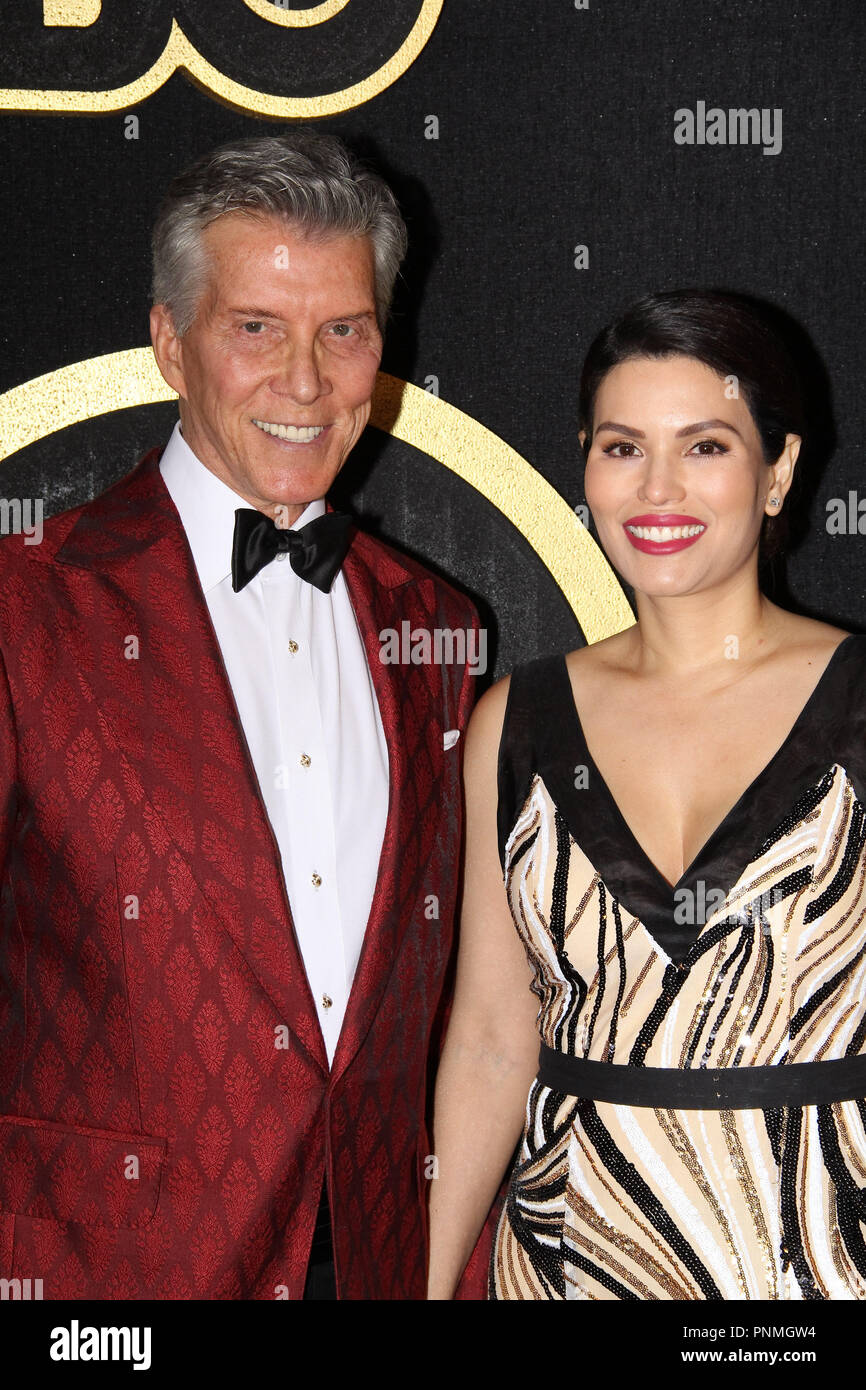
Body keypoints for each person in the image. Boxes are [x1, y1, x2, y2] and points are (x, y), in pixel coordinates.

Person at [0, 131, 482, 1300]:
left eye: (344, 330)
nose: (305, 382)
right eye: (255, 327)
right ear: (172, 343)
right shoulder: (26, 603)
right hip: (104, 1277)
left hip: (371, 1266)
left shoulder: (435, 629)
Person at [427, 288, 866, 1301]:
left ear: (777, 472)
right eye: (621, 448)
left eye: (704, 446)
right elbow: (493, 1038)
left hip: (814, 1261)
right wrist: (429, 1273)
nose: (656, 488)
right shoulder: (513, 722)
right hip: (564, 1259)